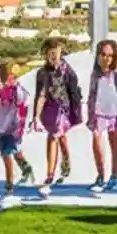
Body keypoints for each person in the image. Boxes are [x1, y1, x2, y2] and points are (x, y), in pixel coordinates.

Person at [33, 37, 83, 197]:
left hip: (64, 108)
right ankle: (65, 159)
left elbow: (74, 88)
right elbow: (40, 94)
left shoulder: (66, 69)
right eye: (50, 54)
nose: (54, 57)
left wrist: (77, 108)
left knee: (53, 136)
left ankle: (50, 173)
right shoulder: (42, 73)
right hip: (49, 109)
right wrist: (36, 115)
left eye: (56, 53)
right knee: (58, 136)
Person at [0, 61, 36, 204]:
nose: (3, 78)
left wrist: (21, 125)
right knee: (13, 151)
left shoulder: (17, 89)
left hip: (13, 127)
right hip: (2, 127)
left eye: (6, 75)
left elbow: (23, 103)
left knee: (6, 154)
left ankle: (9, 184)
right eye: (2, 75)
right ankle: (26, 167)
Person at [87, 39, 117, 193]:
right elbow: (92, 95)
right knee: (96, 140)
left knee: (115, 145)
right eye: (103, 55)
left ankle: (114, 176)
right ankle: (100, 176)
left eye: (110, 55)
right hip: (99, 113)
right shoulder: (95, 74)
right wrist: (90, 114)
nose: (106, 58)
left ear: (115, 57)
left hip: (116, 113)